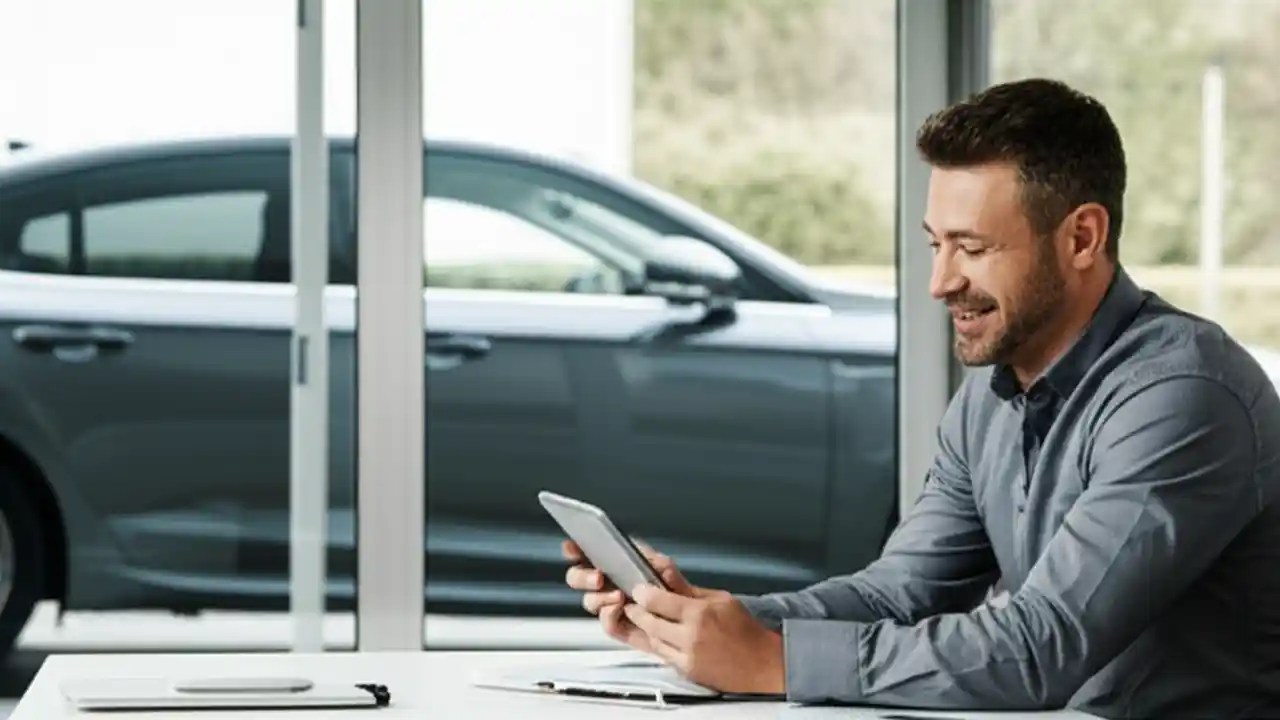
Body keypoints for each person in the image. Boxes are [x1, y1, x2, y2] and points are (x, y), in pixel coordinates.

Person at [562, 78, 1280, 718]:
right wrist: (711, 621)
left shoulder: (1184, 396)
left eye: (972, 248)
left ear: (1082, 237)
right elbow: (896, 596)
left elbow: (1042, 646)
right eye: (935, 244)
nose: (940, 282)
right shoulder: (991, 398)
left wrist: (773, 661)